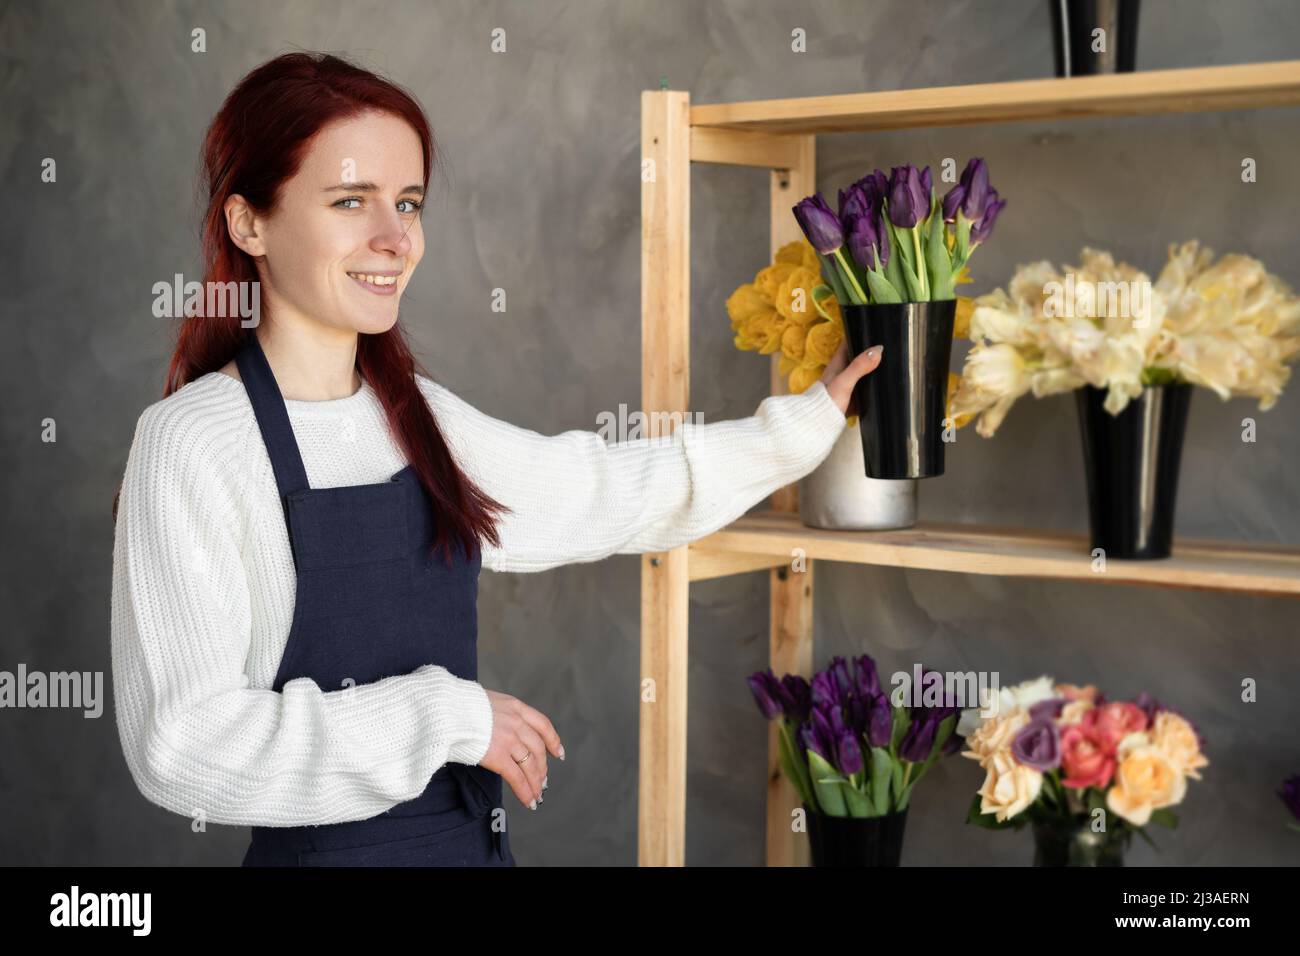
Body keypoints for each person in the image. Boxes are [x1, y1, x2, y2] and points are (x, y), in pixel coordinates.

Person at [109, 51, 882, 867]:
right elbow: (183, 745)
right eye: (349, 201)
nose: (394, 239)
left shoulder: (417, 419)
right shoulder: (193, 442)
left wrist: (808, 423)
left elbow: (603, 492)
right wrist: (448, 717)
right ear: (248, 223)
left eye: (408, 203)